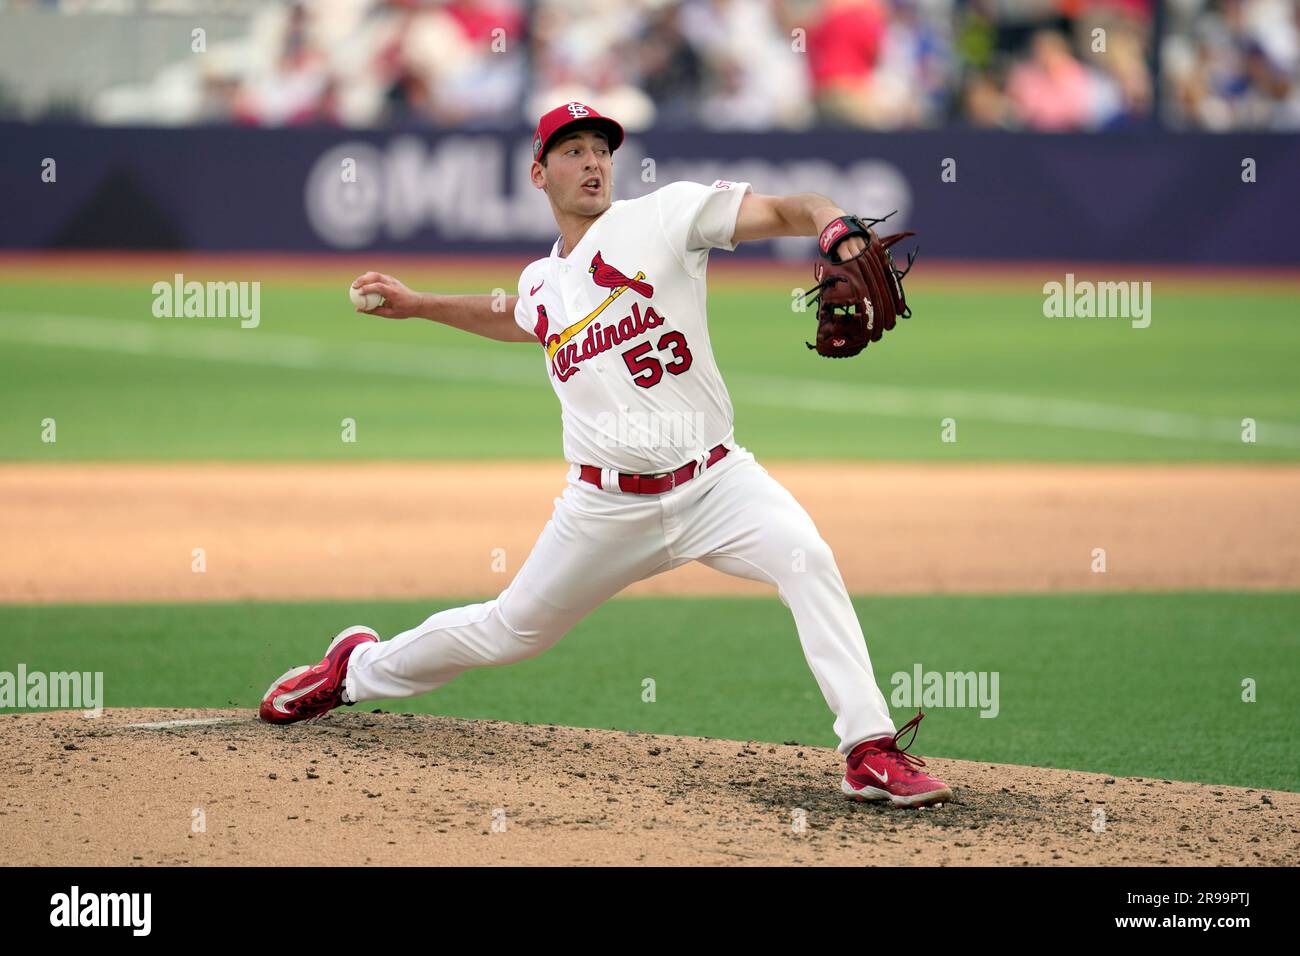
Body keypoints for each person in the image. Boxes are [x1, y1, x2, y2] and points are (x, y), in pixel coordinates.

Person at [259, 101, 952, 807]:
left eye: (601, 149)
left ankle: (868, 749)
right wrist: (419, 304)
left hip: (717, 482)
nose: (592, 162)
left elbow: (788, 208)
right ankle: (353, 671)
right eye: (572, 151)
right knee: (509, 631)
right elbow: (515, 315)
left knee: (808, 558)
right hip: (604, 507)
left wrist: (834, 227)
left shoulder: (665, 217)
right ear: (539, 172)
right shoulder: (543, 281)